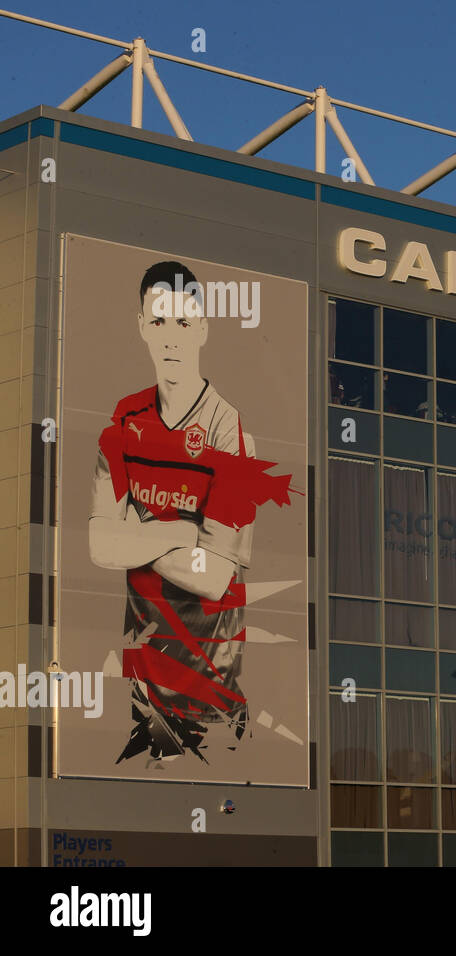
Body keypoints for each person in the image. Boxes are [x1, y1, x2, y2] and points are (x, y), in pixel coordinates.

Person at [88, 260, 289, 767]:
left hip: (207, 703)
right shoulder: (123, 422)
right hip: (142, 697)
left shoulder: (230, 435)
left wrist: (138, 533)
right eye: (158, 322)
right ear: (141, 329)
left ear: (202, 328)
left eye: (182, 322)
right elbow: (99, 546)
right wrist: (182, 532)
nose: (170, 338)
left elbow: (215, 574)